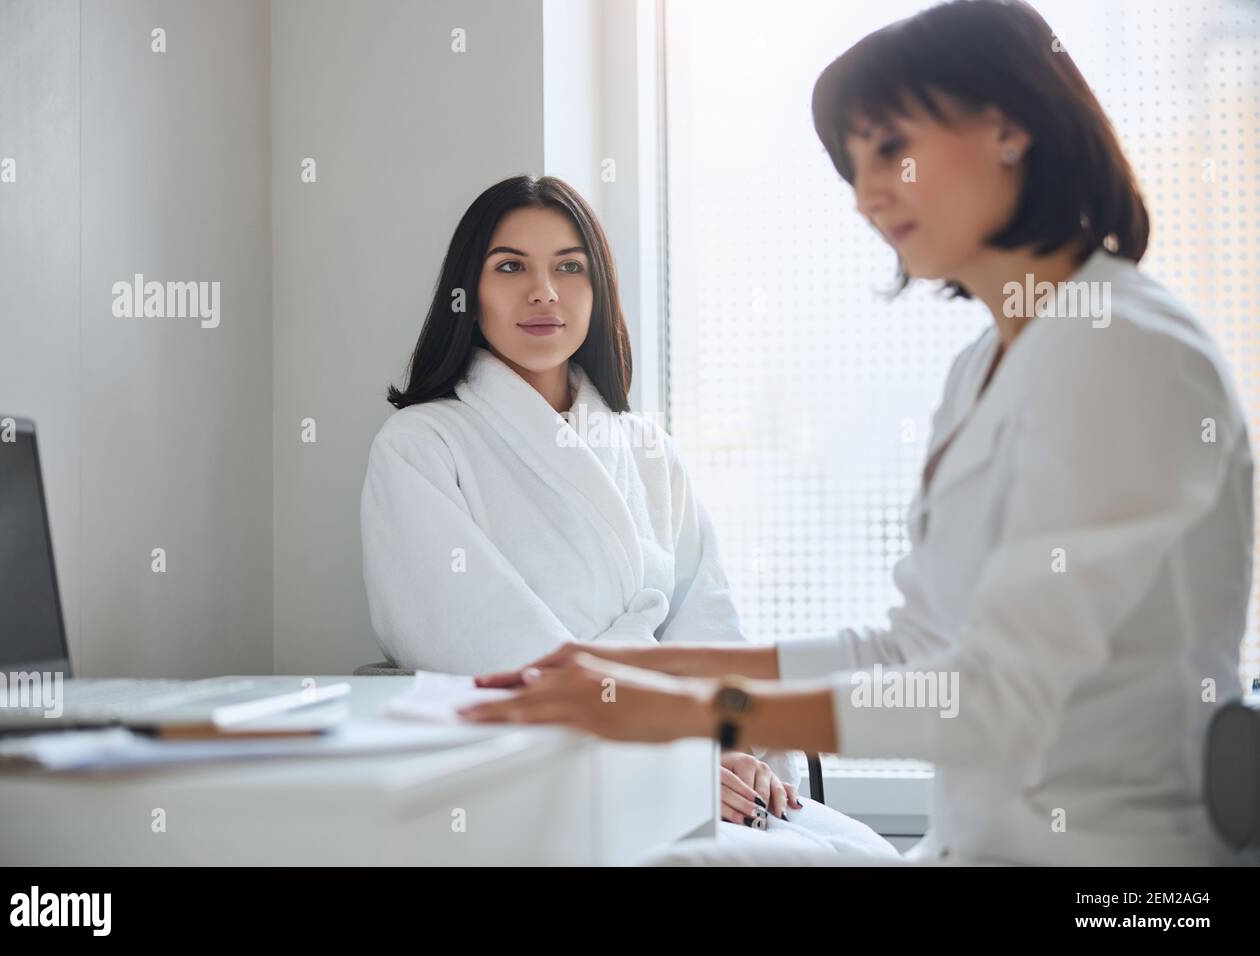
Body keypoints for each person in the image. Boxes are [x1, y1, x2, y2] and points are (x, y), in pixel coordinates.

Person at [461, 0, 1254, 867]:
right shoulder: (987, 365)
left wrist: (689, 715)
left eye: (892, 147)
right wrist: (639, 669)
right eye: (854, 163)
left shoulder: (1124, 347)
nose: (868, 192)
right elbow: (913, 645)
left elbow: (999, 700)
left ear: (1009, 129)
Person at [360, 175, 897, 856]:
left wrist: (728, 748)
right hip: (542, 775)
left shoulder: (646, 449)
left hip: (692, 756)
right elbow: (479, 645)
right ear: (467, 293)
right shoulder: (421, 447)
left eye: (569, 267)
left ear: (597, 289)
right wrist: (675, 766)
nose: (544, 292)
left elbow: (710, 623)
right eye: (509, 267)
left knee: (867, 854)